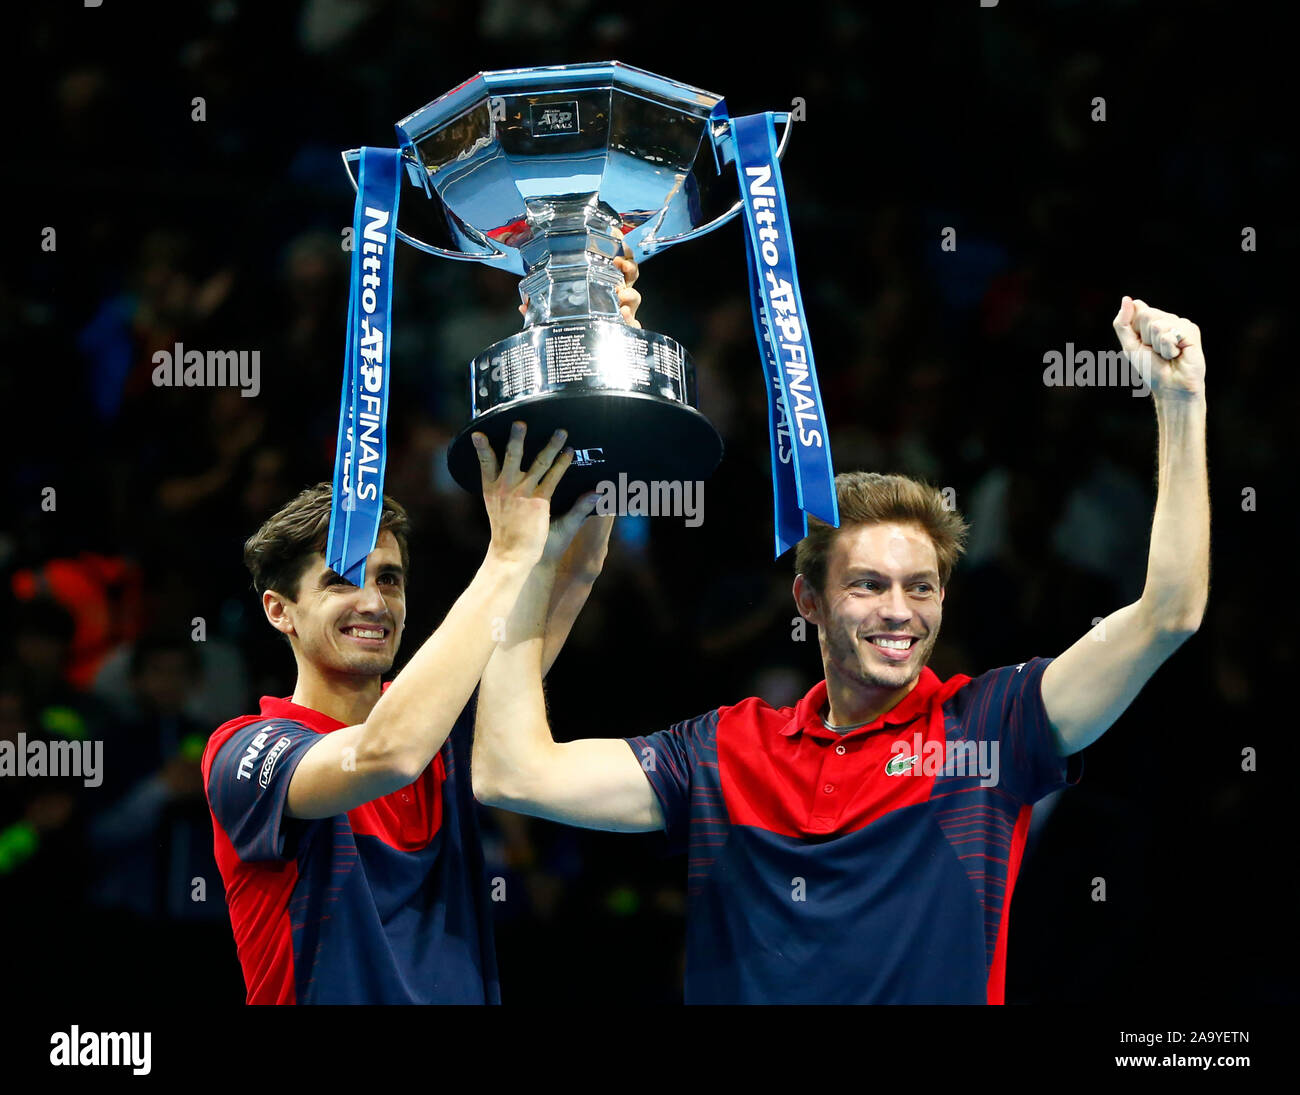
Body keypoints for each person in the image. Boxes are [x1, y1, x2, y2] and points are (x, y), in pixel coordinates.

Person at [472, 296, 1209, 1004]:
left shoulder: (991, 729)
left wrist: (1179, 406)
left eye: (921, 587)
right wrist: (534, 566)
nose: (899, 611)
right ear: (810, 603)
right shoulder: (727, 750)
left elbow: (1166, 614)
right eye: (868, 584)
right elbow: (512, 771)